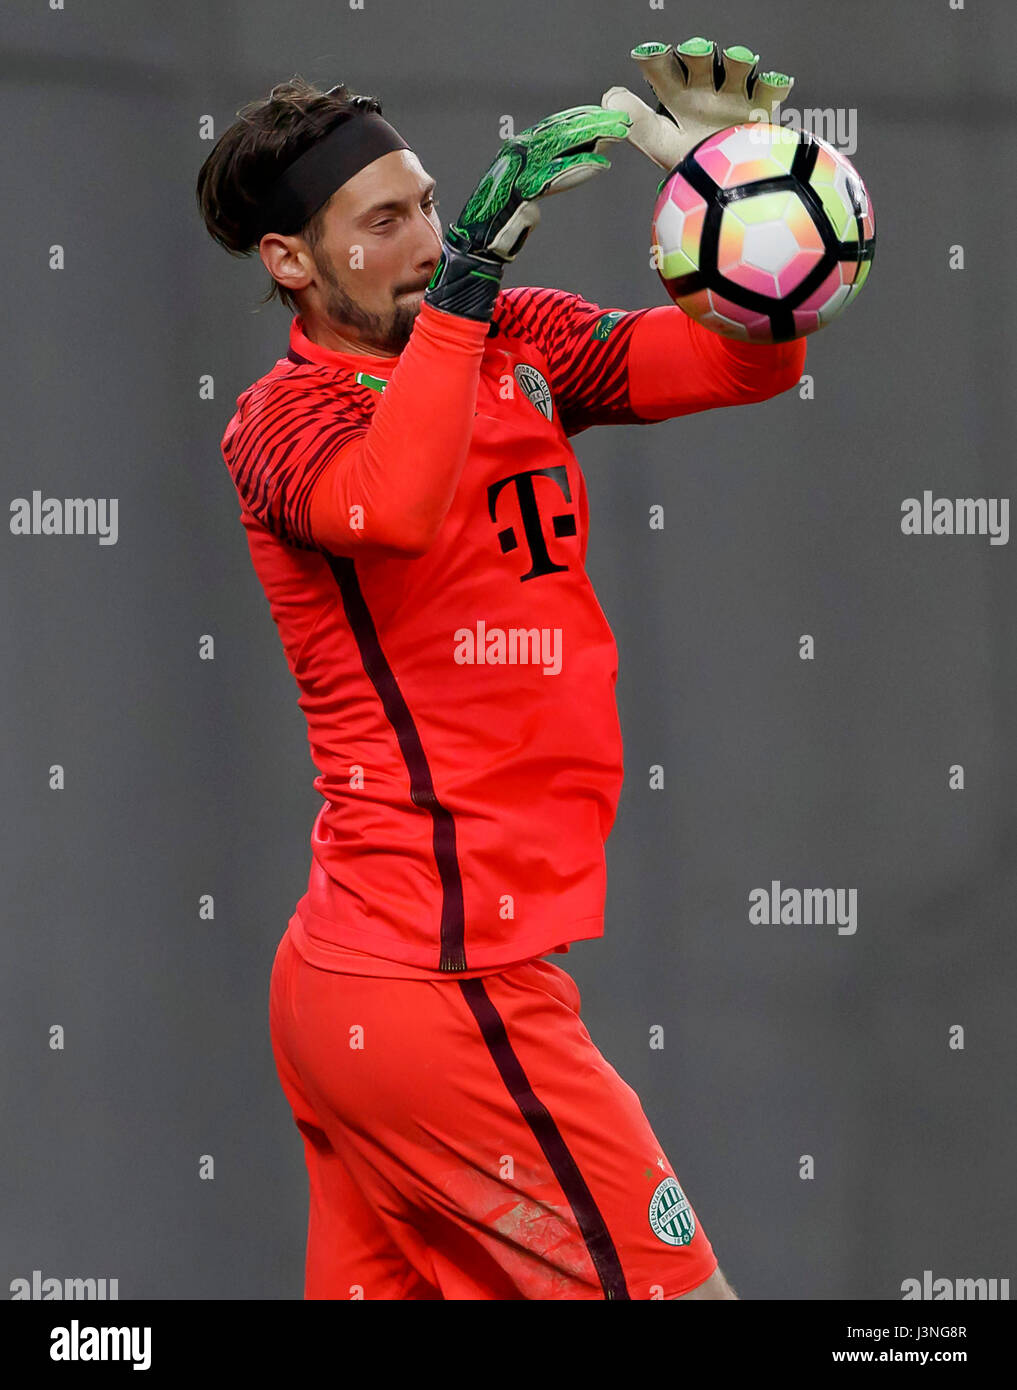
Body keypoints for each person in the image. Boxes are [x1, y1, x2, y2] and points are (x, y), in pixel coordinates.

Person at [195, 41, 804, 1300]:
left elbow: (752, 362)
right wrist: (470, 288)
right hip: (436, 979)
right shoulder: (283, 417)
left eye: (429, 204)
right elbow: (391, 506)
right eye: (385, 221)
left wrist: (729, 188)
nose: (426, 236)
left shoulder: (512, 337)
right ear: (292, 263)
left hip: (390, 979)